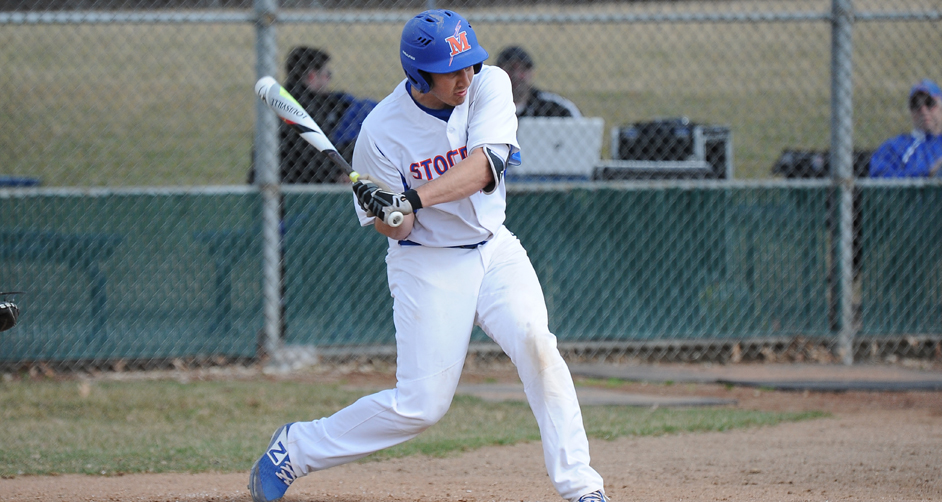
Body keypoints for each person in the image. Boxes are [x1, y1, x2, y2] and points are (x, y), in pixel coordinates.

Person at [248, 9, 608, 502]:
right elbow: (398, 228)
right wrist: (388, 212)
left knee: (538, 346)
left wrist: (409, 198)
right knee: (421, 406)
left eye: (470, 64)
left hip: (495, 249)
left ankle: (582, 489)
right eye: (451, 69)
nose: (465, 77)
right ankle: (295, 449)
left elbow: (484, 167)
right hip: (429, 261)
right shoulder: (380, 132)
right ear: (419, 74)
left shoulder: (490, 85)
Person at [248, 46, 376, 184]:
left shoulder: (285, 100)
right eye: (327, 74)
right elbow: (312, 158)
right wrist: (338, 174)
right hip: (294, 187)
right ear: (312, 76)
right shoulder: (305, 110)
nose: (329, 79)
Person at [869, 78, 942, 177]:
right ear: (911, 112)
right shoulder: (896, 147)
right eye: (916, 104)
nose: (923, 110)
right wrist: (927, 174)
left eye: (929, 103)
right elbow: (879, 178)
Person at [495, 45, 582, 118]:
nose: (516, 75)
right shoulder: (489, 104)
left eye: (522, 70)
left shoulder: (552, 107)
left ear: (531, 73)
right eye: (510, 69)